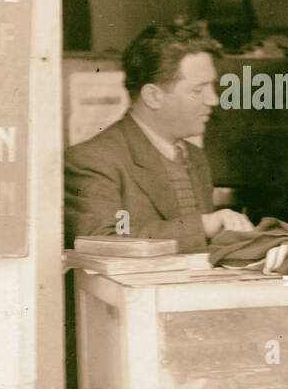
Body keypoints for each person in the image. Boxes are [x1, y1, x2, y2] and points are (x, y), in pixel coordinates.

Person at [64, 23, 253, 251]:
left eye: (211, 87)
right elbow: (102, 239)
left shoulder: (194, 157)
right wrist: (201, 227)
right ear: (153, 96)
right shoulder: (93, 159)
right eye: (198, 90)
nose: (213, 99)